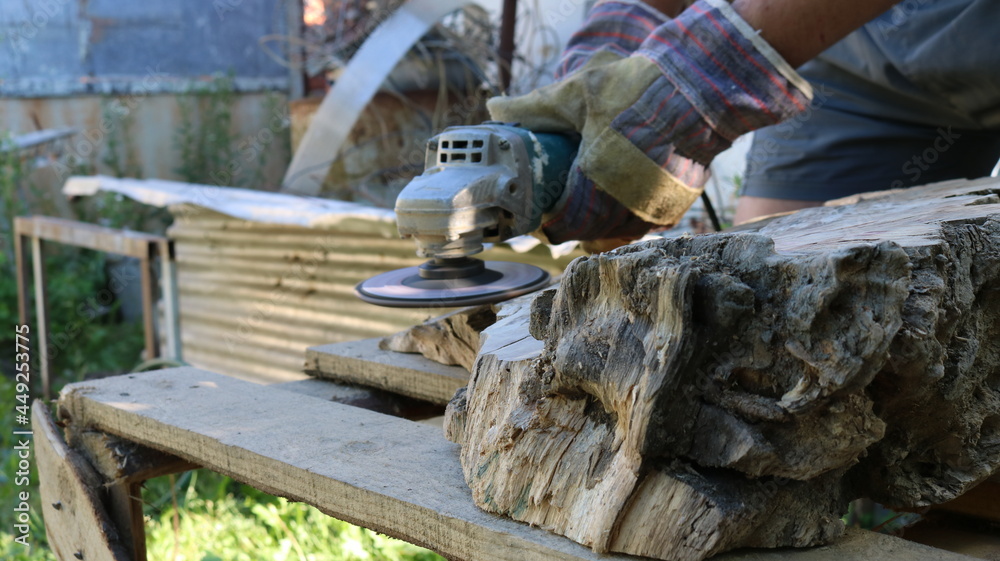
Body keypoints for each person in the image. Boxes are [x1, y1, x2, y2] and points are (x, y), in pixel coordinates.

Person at [489, 0, 1000, 250]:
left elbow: (697, 77)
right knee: (783, 291)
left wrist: (692, 84)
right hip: (848, 46)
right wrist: (610, 51)